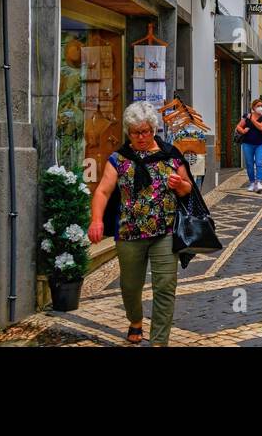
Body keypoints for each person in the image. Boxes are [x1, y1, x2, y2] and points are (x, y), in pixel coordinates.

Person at [88, 102, 193, 346]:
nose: (141, 137)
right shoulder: (119, 159)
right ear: (128, 132)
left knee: (165, 286)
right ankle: (135, 320)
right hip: (129, 233)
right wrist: (96, 220)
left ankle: (159, 341)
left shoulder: (170, 155)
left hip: (165, 232)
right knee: (130, 285)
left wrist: (180, 185)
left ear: (154, 130)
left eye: (145, 131)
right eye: (136, 132)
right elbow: (103, 192)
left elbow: (188, 188)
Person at [237, 97, 262, 193]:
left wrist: (251, 119)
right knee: (249, 164)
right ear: (253, 108)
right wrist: (243, 130)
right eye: (258, 106)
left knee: (259, 163)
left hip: (260, 145)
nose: (260, 108)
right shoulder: (246, 116)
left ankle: (258, 182)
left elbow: (261, 127)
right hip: (247, 144)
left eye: (261, 106)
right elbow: (238, 126)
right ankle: (252, 182)